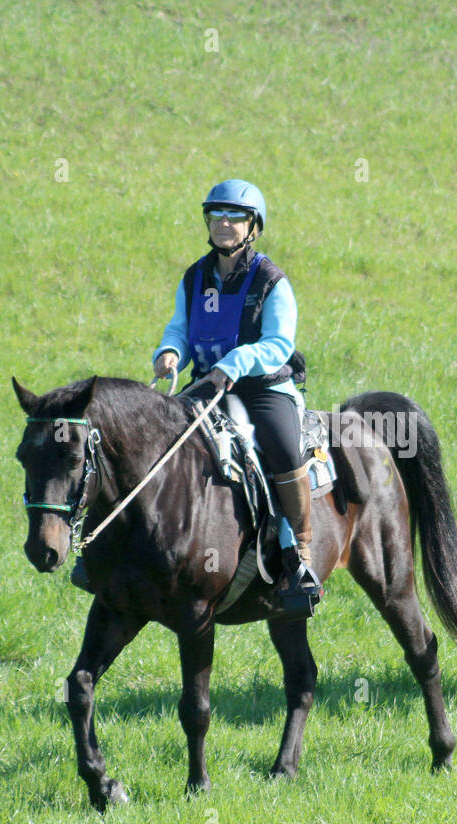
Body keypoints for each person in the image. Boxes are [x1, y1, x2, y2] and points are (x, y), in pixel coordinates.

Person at [73, 179, 323, 614]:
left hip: (264, 389)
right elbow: (180, 329)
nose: (224, 224)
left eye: (235, 217)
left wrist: (236, 363)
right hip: (206, 386)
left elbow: (280, 344)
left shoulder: (271, 280)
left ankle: (299, 556)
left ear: (254, 227)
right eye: (217, 216)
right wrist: (170, 352)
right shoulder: (195, 277)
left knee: (284, 451)